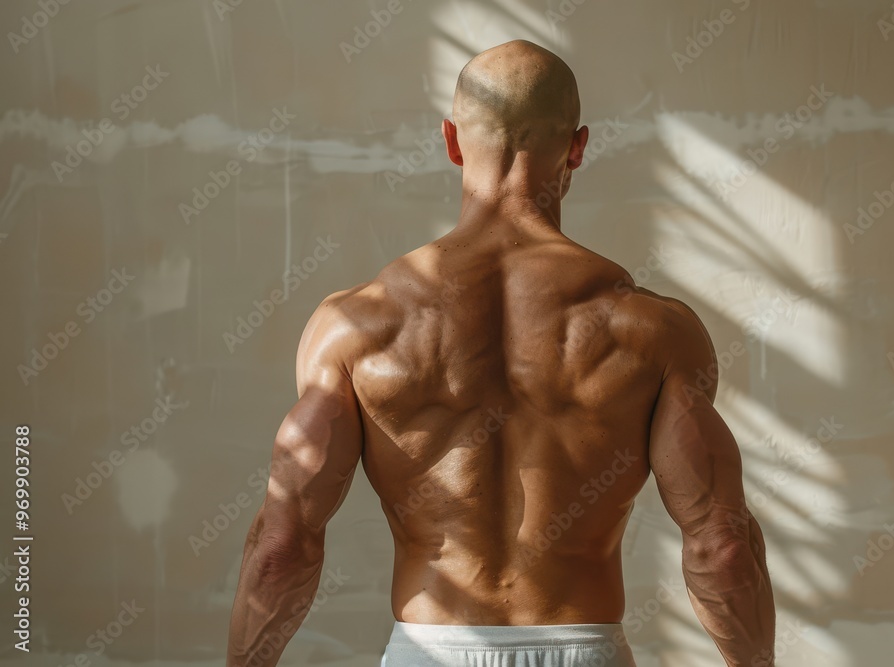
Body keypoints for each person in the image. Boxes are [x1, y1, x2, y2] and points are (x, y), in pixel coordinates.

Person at [227, 39, 775, 667]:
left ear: (452, 141)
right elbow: (721, 548)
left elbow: (282, 548)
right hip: (586, 647)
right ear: (578, 146)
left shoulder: (356, 325)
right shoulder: (653, 329)